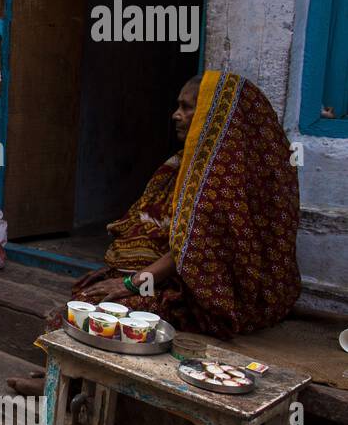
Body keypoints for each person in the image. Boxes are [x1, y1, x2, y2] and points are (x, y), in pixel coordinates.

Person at [65, 72, 300, 338]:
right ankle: (64, 376)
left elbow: (196, 246)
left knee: (112, 312)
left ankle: (70, 375)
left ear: (212, 115)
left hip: (208, 292)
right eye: (178, 106)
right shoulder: (185, 164)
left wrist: (132, 282)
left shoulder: (227, 177)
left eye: (187, 108)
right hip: (168, 275)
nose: (176, 115)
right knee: (86, 293)